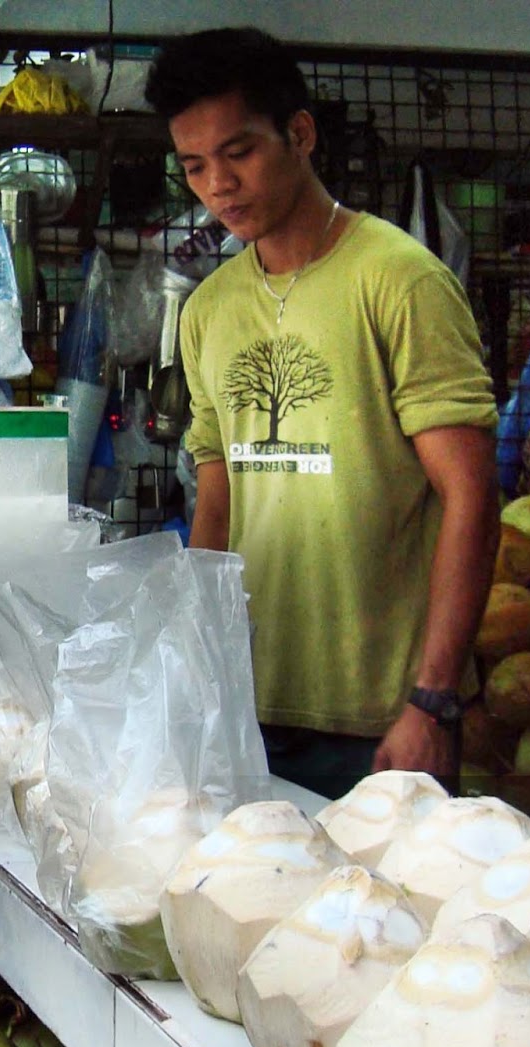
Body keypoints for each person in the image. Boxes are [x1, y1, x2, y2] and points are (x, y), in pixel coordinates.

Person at [147, 28, 499, 798]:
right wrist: (200, 675)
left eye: (237, 153)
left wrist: (432, 699)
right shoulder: (208, 309)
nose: (217, 185)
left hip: (382, 719)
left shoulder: (401, 280)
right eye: (195, 166)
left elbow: (469, 493)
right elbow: (218, 499)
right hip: (247, 708)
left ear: (299, 134)